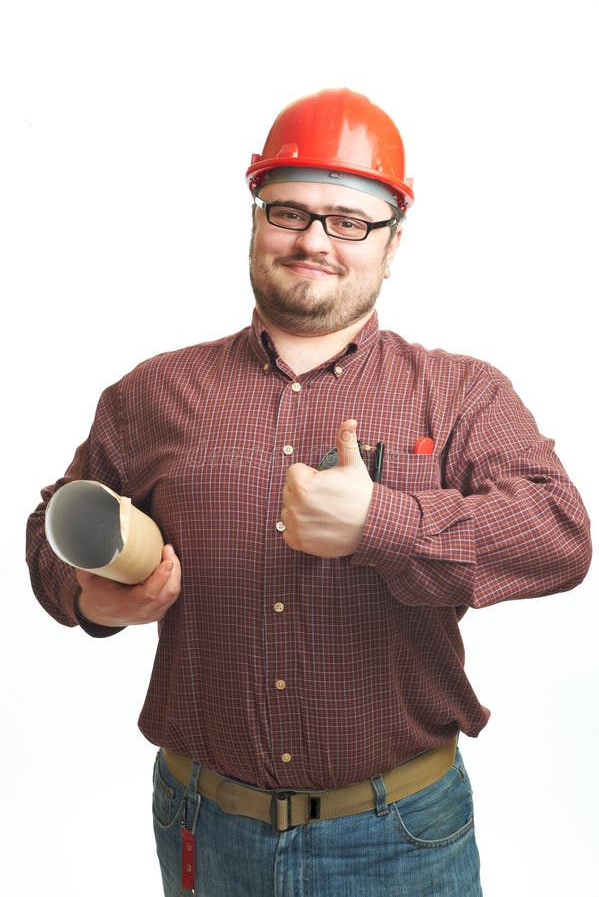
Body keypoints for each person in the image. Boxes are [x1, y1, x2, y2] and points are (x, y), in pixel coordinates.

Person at [26, 87, 592, 896]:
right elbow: (51, 521)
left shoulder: (459, 393)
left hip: (399, 833)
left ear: (391, 243)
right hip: (203, 826)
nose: (314, 239)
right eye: (288, 212)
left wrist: (385, 523)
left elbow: (560, 533)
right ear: (255, 218)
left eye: (348, 220)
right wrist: (89, 599)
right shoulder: (153, 394)